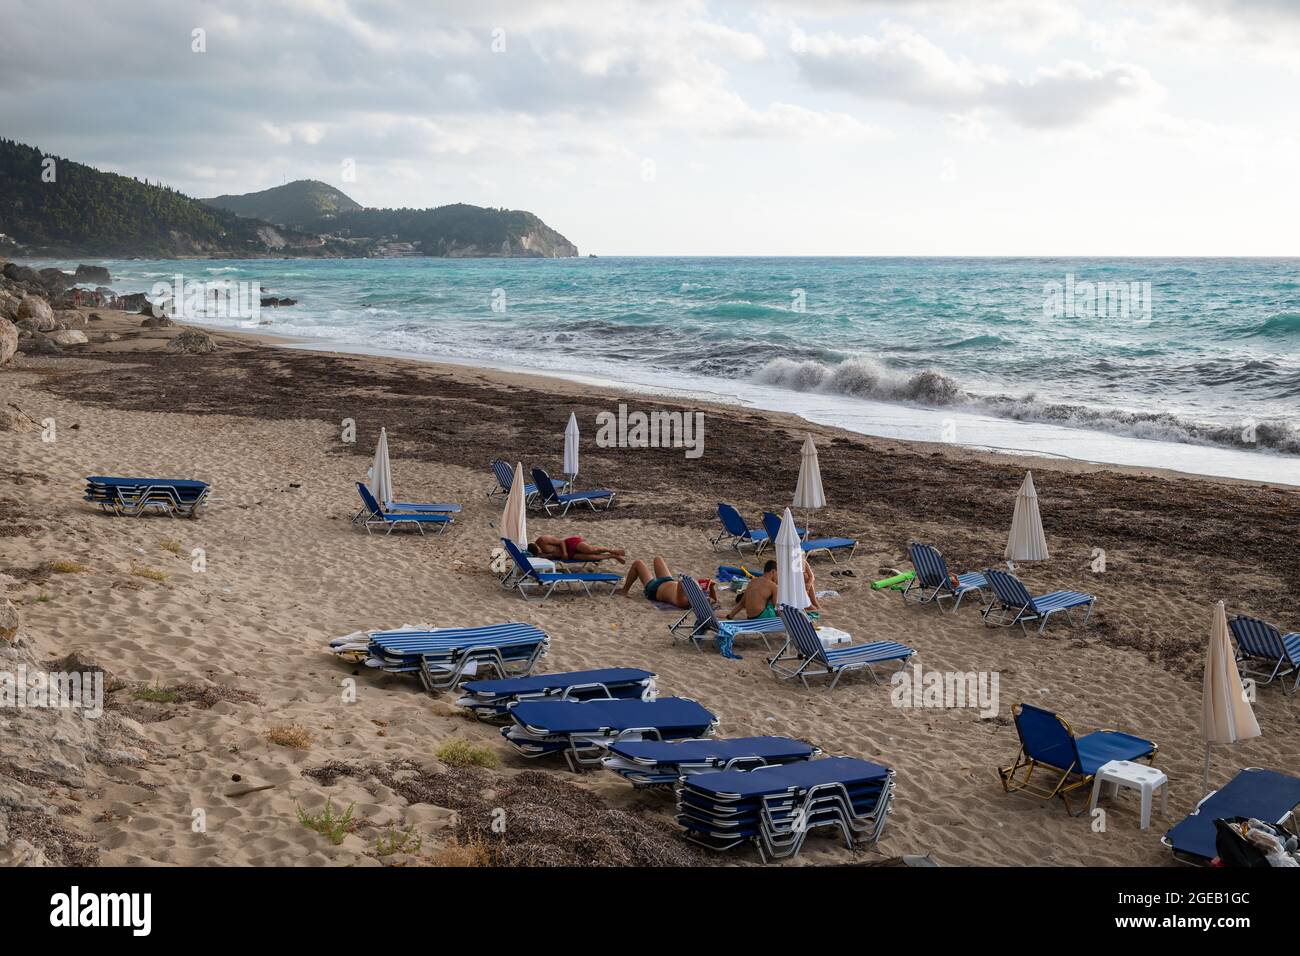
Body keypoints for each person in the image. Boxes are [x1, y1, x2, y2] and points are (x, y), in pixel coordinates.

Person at [616, 556, 714, 608]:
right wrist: (711, 587)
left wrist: (698, 584)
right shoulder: (693, 595)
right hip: (668, 580)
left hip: (654, 589)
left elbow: (682, 581)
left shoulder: (683, 602)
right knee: (658, 558)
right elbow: (713, 600)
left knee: (637, 563)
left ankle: (624, 590)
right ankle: (624, 589)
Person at [527, 534, 625, 564]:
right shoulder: (538, 554)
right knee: (591, 557)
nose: (541, 552)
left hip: (569, 544)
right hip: (569, 555)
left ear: (536, 545)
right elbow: (552, 556)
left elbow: (561, 541)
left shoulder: (543, 539)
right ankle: (613, 556)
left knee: (590, 549)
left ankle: (612, 550)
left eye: (539, 549)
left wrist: (564, 552)